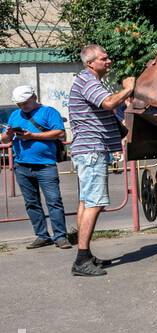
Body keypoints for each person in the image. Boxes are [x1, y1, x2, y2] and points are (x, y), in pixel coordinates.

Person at [67, 44, 135, 277]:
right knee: (95, 202)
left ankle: (84, 254)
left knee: (86, 201)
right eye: (103, 59)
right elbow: (107, 103)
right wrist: (128, 88)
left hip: (89, 150)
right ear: (90, 63)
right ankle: (81, 259)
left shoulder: (87, 80)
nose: (109, 61)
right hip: (92, 150)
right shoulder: (88, 81)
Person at [2, 86, 71, 249]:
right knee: (31, 203)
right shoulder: (14, 115)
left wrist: (32, 136)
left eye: (25, 103)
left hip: (45, 165)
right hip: (22, 166)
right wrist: (9, 133)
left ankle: (60, 236)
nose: (22, 107)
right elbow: (5, 141)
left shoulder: (49, 112)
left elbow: (60, 133)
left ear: (34, 97)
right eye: (19, 104)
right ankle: (42, 235)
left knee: (54, 201)